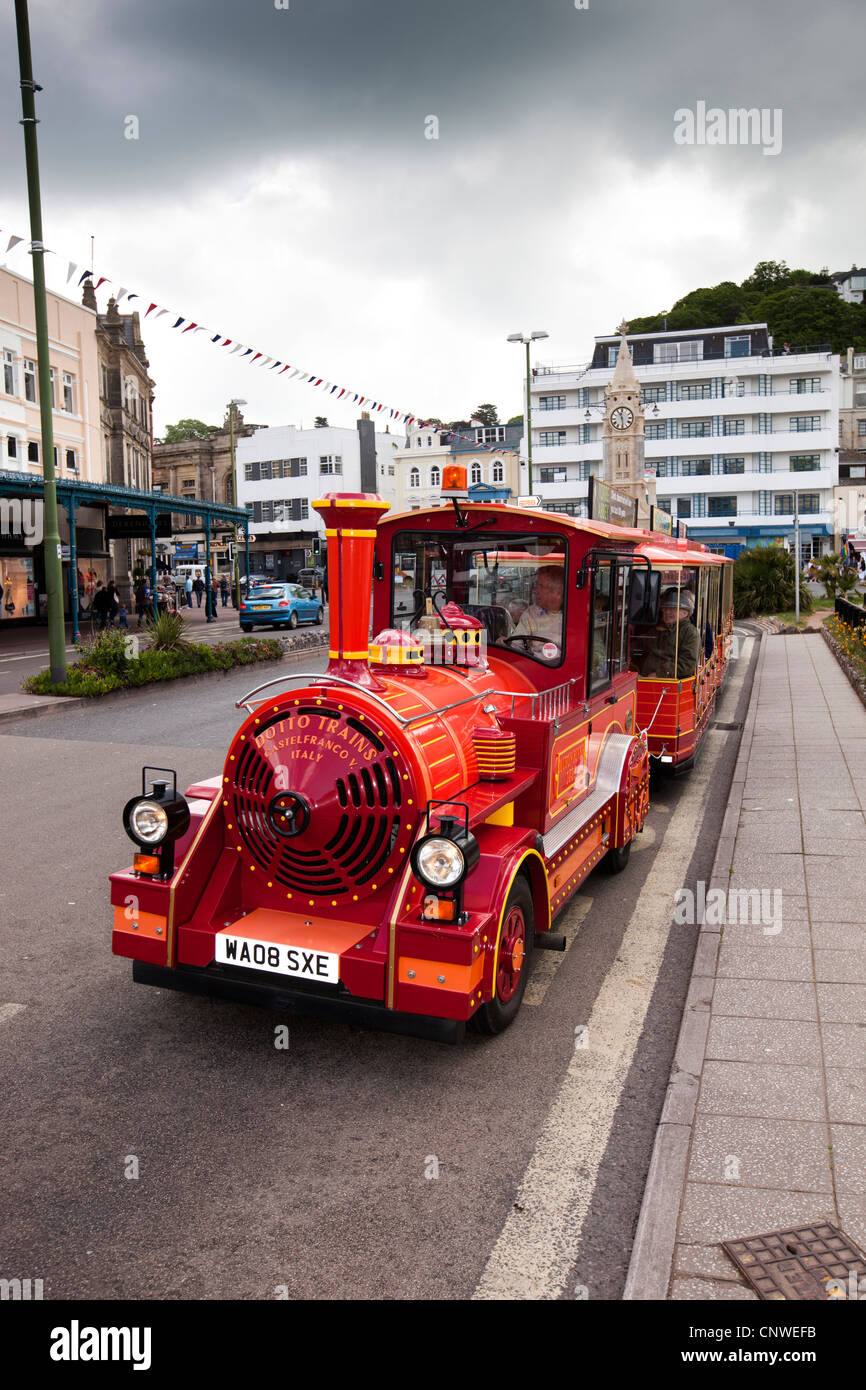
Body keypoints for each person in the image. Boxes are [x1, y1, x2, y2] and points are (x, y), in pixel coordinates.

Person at [642, 586, 700, 678]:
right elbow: (642, 643)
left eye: (672, 609)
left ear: (684, 613)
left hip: (669, 683)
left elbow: (687, 664)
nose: (667, 612)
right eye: (665, 609)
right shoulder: (659, 628)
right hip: (647, 678)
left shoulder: (690, 633)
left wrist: (659, 674)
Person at [511, 565, 564, 654]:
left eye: (541, 586)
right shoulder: (531, 614)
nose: (536, 590)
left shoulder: (573, 614)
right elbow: (516, 646)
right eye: (536, 585)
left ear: (557, 592)